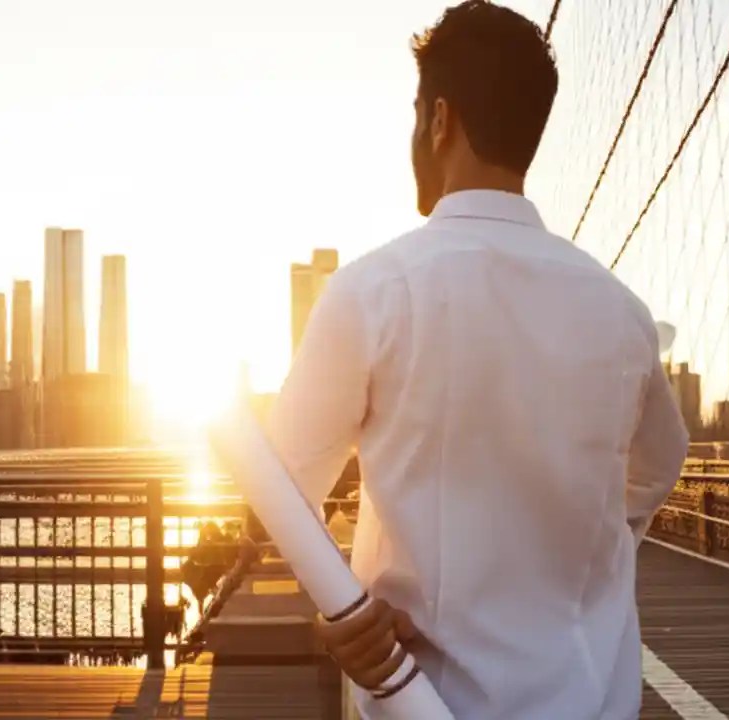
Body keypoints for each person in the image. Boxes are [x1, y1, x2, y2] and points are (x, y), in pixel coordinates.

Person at [267, 1, 690, 717]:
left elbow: (281, 490)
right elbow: (658, 467)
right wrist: (581, 550)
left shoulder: (374, 291)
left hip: (426, 703)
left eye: (416, 115)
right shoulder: (623, 312)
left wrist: (344, 611)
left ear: (439, 119)